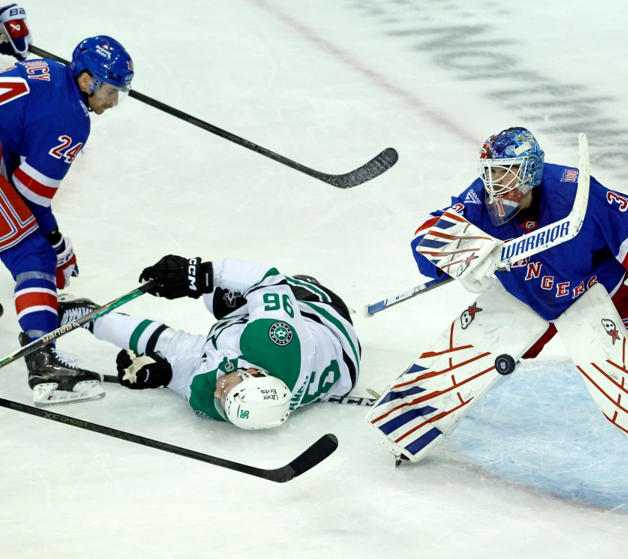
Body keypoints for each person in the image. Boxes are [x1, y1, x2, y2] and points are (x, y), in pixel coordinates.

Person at [389, 126, 628, 504]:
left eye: (505, 171)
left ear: (530, 171)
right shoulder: (482, 199)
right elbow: (429, 236)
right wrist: (462, 251)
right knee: (467, 349)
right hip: (526, 290)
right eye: (490, 171)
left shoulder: (574, 191)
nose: (494, 182)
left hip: (594, 291)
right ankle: (411, 418)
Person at [58, 255, 361, 430]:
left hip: (332, 368)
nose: (219, 390)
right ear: (254, 373)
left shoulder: (220, 404)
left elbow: (179, 352)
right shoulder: (275, 342)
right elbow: (267, 279)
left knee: (192, 337)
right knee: (220, 296)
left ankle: (83, 312)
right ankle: (309, 282)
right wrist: (195, 276)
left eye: (224, 399)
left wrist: (162, 373)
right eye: (227, 389)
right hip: (323, 317)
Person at [0, 12, 134, 404]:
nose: (112, 102)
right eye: (111, 91)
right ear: (87, 79)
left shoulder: (46, 68)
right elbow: (31, 197)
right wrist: (57, 244)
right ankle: (44, 360)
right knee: (31, 250)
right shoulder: (71, 119)